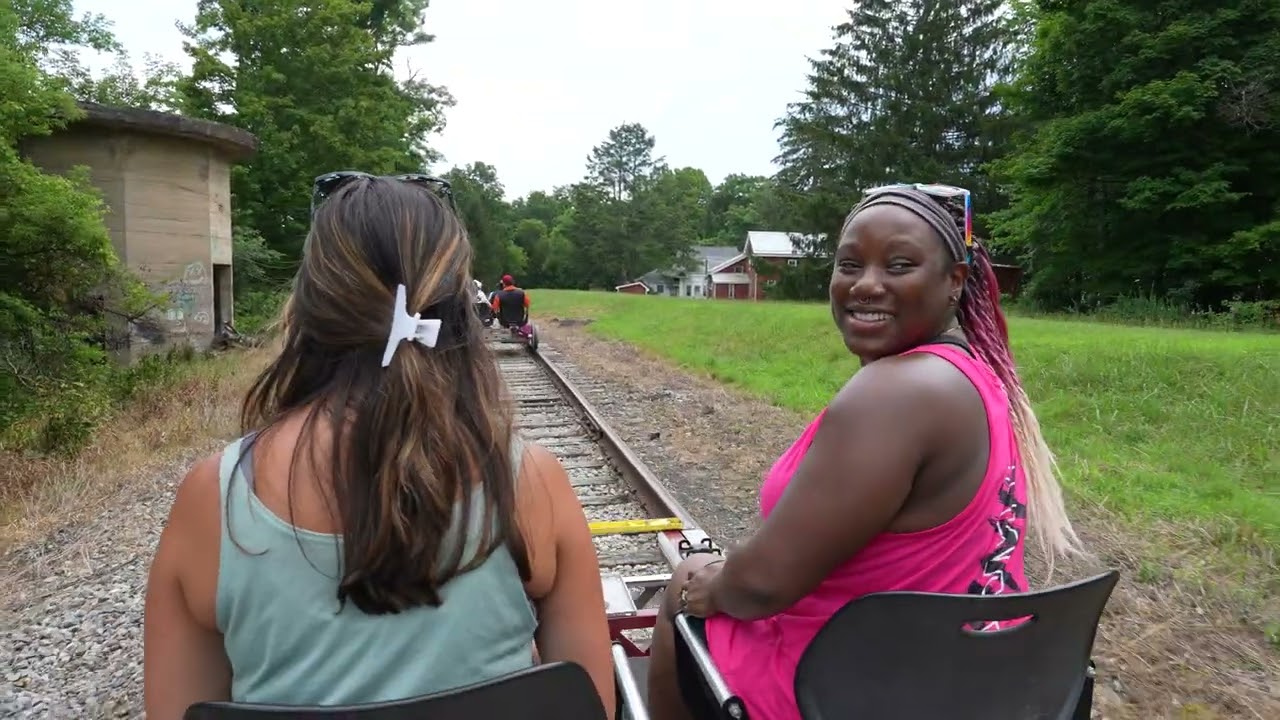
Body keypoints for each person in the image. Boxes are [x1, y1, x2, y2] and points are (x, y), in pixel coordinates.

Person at [142, 174, 615, 719]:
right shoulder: (531, 480)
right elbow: (590, 704)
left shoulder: (211, 500)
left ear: (307, 307)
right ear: (458, 308)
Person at [645, 184, 1083, 720]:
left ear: (954, 281)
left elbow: (761, 586)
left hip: (852, 690)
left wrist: (703, 584)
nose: (866, 285)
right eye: (849, 264)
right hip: (970, 679)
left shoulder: (897, 392)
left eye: (899, 265)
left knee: (683, 584)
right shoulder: (976, 375)